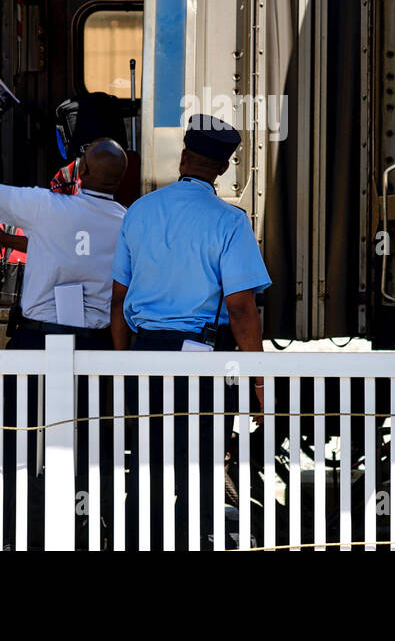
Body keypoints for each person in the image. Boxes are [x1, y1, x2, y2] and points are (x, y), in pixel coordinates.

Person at [109, 113, 271, 548]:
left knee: (146, 457)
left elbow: (118, 300)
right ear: (222, 168)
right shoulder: (229, 221)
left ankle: (139, 540)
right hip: (202, 356)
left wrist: (125, 363)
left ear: (183, 157)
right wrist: (257, 380)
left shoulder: (139, 212)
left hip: (146, 352)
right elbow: (240, 307)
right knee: (198, 463)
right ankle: (188, 541)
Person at [0, 137, 129, 351]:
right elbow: (67, 251)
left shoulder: (44, 206)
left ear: (81, 171)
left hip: (38, 339)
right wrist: (5, 239)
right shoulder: (127, 222)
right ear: (120, 179)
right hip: (93, 344)